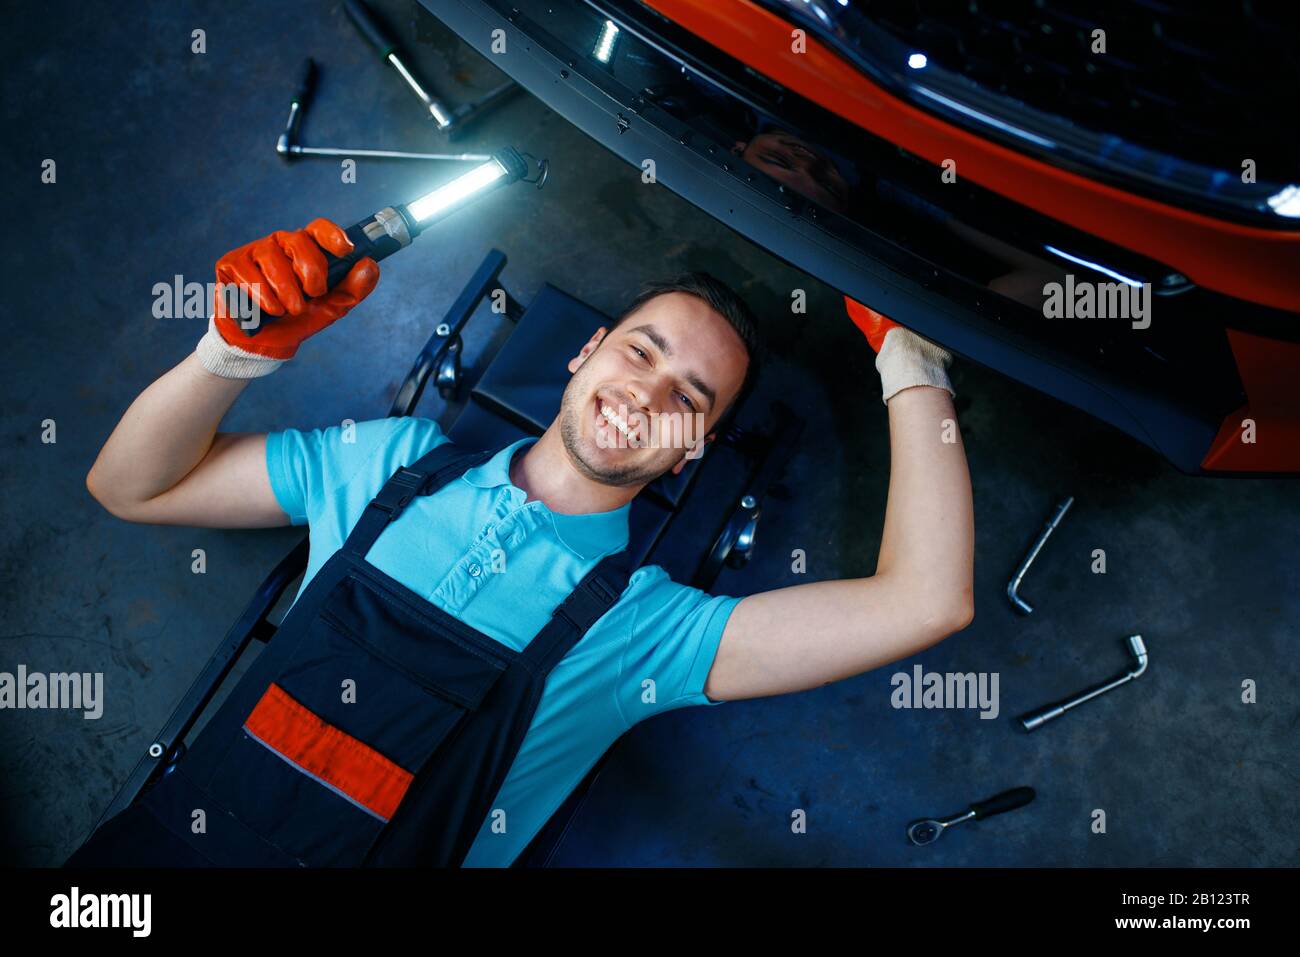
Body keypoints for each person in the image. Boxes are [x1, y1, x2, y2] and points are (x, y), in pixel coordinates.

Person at [76, 218, 974, 867]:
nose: (650, 395)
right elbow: (130, 486)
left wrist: (910, 361)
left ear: (693, 450)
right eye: (641, 352)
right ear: (587, 351)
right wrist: (230, 352)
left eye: (691, 399)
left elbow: (926, 599)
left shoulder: (643, 631)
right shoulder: (390, 465)